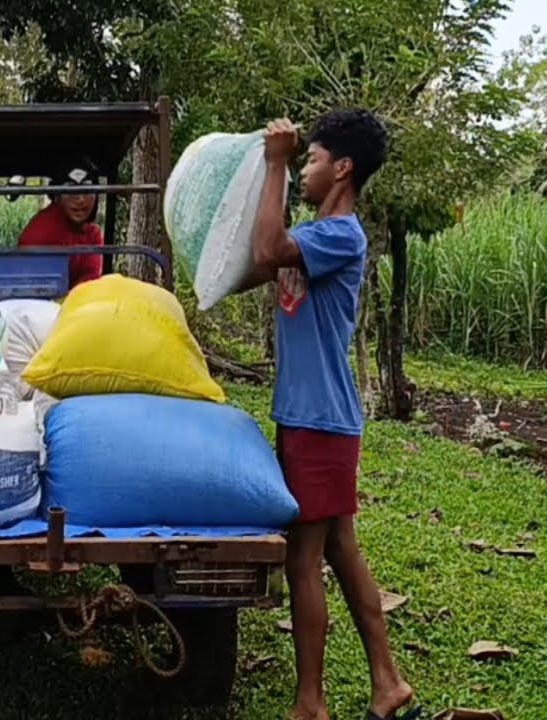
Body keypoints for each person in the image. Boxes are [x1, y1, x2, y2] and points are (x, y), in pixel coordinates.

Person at [240, 109, 418, 720]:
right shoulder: (317, 237)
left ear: (342, 169)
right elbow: (258, 259)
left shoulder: (341, 234)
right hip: (312, 416)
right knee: (341, 549)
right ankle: (387, 684)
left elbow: (268, 246)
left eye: (310, 160)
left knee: (303, 559)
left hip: (320, 420)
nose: (303, 170)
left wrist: (273, 162)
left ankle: (310, 704)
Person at [16, 163, 104, 289]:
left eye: (87, 190)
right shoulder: (42, 230)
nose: (80, 199)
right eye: (71, 190)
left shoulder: (93, 235)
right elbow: (34, 285)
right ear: (57, 196)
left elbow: (90, 281)